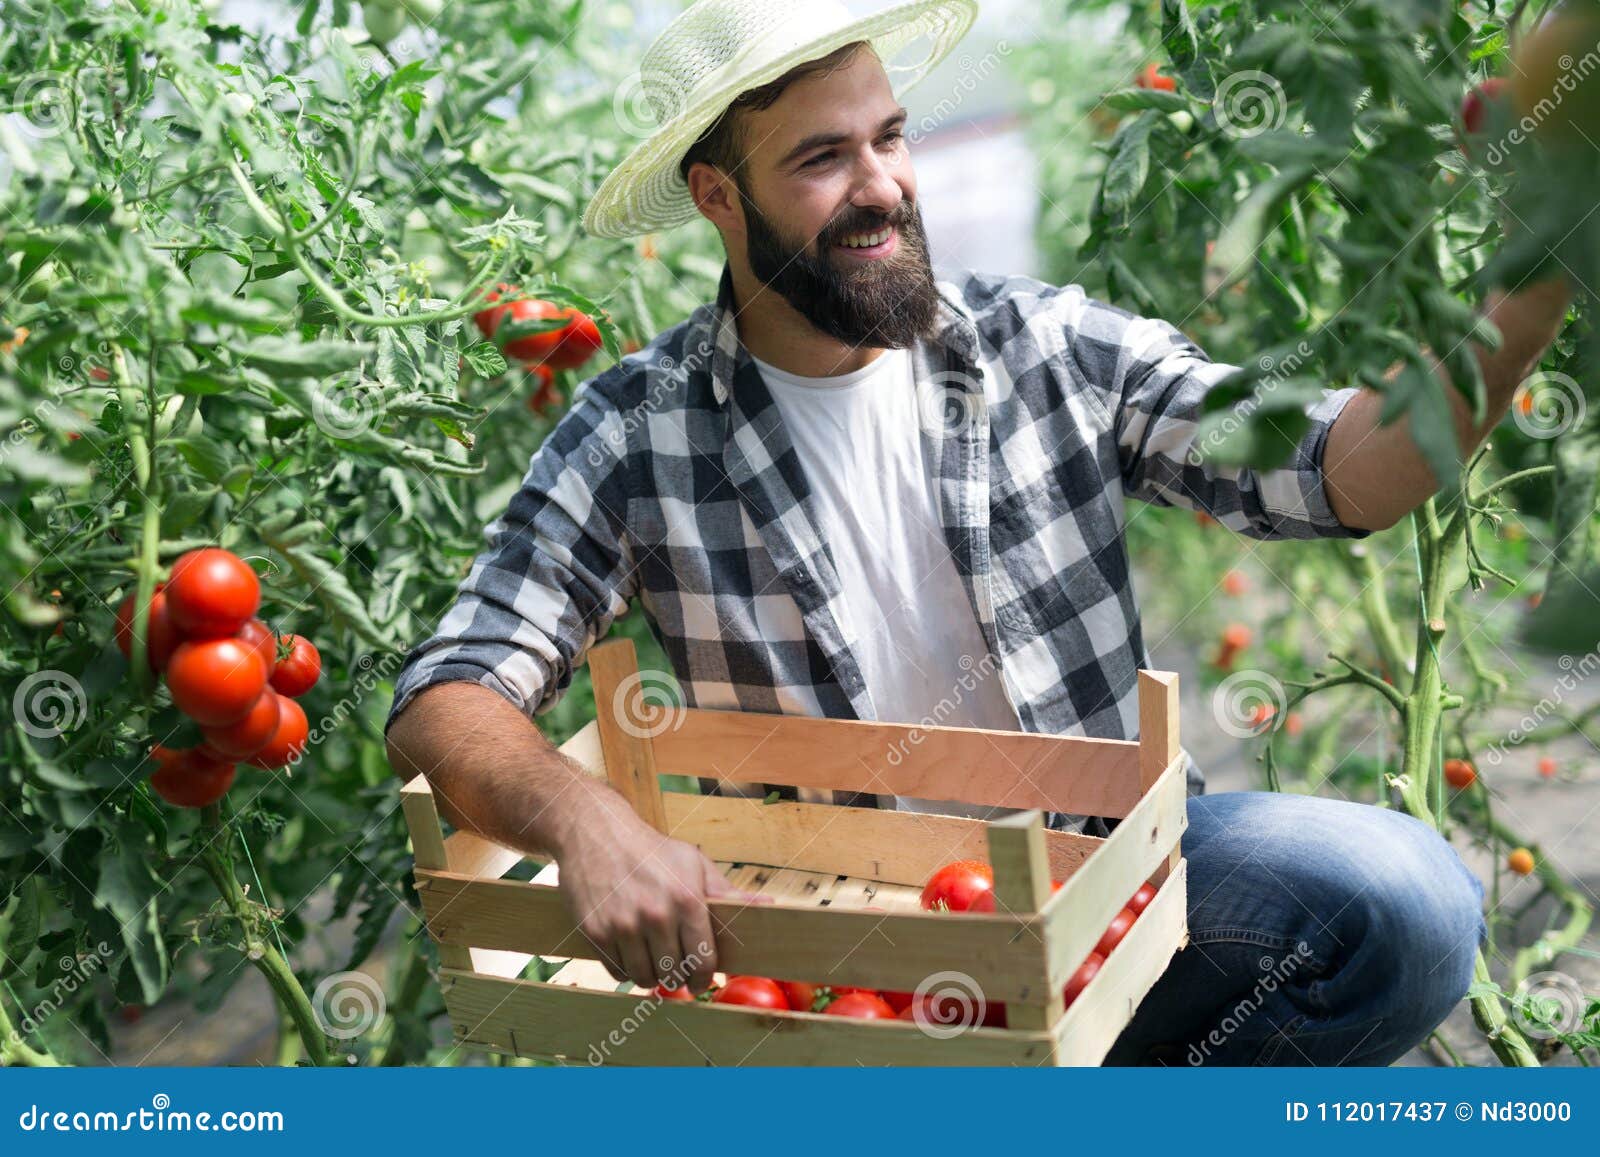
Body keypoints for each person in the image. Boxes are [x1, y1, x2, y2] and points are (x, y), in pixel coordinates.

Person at [385, 0, 1572, 1064]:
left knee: (1403, 897)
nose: (884, 185)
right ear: (716, 196)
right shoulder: (639, 430)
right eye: (821, 159)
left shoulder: (1044, 347)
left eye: (888, 137)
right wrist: (586, 818)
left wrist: (1539, 264)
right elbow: (449, 689)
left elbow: (1340, 471)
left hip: (1111, 889)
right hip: (855, 956)